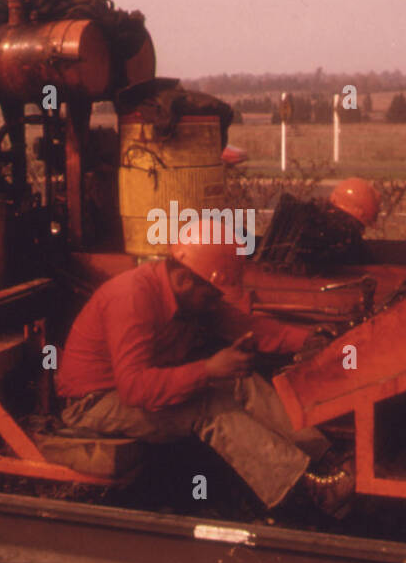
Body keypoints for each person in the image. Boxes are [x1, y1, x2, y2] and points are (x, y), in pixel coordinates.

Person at [55, 221, 355, 517]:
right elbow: (134, 388)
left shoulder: (190, 294)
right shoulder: (133, 297)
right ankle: (305, 491)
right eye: (212, 296)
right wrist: (209, 369)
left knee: (242, 381)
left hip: (127, 392)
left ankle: (325, 458)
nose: (216, 304)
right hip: (93, 403)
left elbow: (247, 325)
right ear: (185, 279)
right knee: (207, 405)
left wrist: (309, 340)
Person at [256, 176, 381, 273]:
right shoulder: (346, 243)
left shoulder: (306, 223)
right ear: (357, 220)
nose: (361, 232)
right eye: (361, 227)